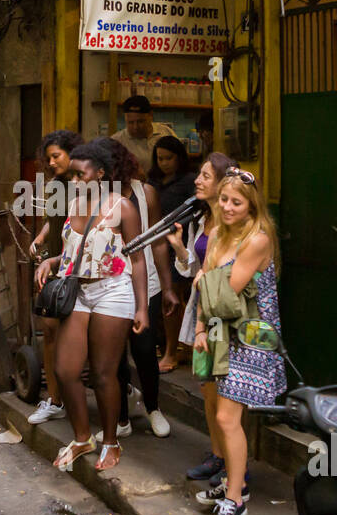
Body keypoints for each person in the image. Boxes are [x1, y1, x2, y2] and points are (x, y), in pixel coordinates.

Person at [34, 141, 147, 472]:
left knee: (102, 373)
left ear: (101, 174)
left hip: (114, 291)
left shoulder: (122, 207)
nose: (75, 180)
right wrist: (53, 261)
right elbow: (75, 251)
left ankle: (111, 442)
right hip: (79, 291)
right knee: (66, 370)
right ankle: (83, 438)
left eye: (80, 174)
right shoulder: (73, 205)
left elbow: (138, 259)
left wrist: (141, 307)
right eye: (72, 175)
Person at [193, 166, 286, 515]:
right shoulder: (217, 235)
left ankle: (235, 499)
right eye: (224, 200)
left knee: (229, 419)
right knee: (219, 412)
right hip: (219, 333)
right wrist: (200, 327)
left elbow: (224, 292)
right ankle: (236, 483)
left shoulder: (258, 240)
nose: (228, 207)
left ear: (252, 206)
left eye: (237, 202)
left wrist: (204, 282)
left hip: (249, 338)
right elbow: (208, 295)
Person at [164, 152, 237, 482]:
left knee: (226, 397)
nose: (197, 180)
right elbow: (194, 270)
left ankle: (234, 467)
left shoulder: (233, 222)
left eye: (205, 176)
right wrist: (180, 248)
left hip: (223, 313)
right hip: (202, 310)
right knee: (207, 388)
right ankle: (217, 455)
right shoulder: (201, 219)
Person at [101, 137, 179, 438]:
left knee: (145, 350)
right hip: (109, 286)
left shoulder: (145, 194)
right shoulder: (95, 198)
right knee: (114, 355)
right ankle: (121, 418)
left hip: (147, 283)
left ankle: (152, 407)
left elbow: (159, 243)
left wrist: (169, 286)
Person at [27, 129, 84, 426]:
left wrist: (58, 258)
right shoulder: (56, 186)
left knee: (68, 332)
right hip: (56, 265)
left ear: (72, 154)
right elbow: (57, 222)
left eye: (56, 156)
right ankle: (55, 398)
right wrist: (41, 236)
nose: (50, 162)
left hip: (77, 266)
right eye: (47, 157)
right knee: (49, 329)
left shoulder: (84, 187)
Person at [150, 136, 197, 372]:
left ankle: (176, 350)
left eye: (169, 158)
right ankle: (170, 348)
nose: (164, 163)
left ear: (179, 158)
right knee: (165, 302)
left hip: (181, 245)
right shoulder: (153, 181)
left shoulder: (189, 181)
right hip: (157, 246)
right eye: (160, 158)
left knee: (178, 299)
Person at [110, 95, 176, 167]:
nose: (135, 127)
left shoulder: (165, 132)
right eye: (130, 122)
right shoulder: (116, 142)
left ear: (150, 115)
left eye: (140, 122)